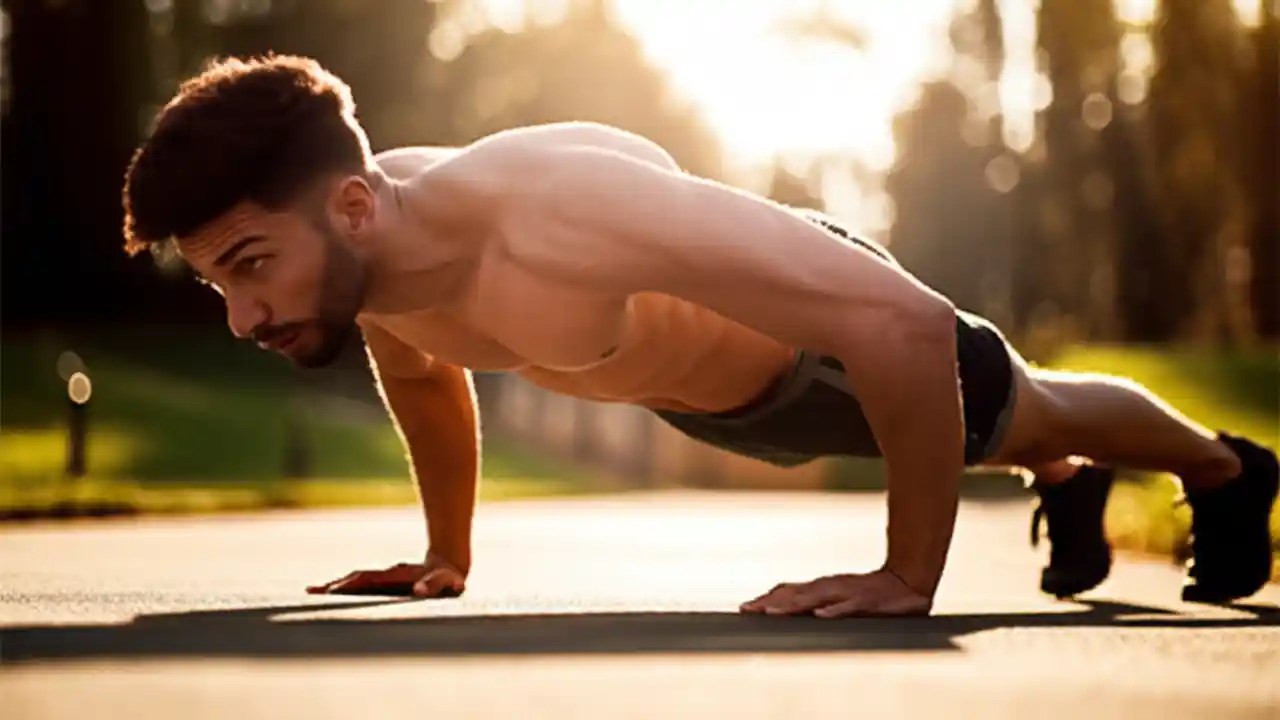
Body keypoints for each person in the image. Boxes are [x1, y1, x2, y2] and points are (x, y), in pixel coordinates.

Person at [121, 55, 1277, 617]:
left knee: (1027, 410)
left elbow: (903, 324)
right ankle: (1065, 480)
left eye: (250, 267)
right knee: (1019, 432)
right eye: (219, 282)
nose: (242, 318)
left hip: (821, 353)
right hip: (715, 405)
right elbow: (421, 374)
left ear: (351, 207)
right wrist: (445, 554)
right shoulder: (363, 259)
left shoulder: (555, 213)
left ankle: (1227, 471)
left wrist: (903, 576)